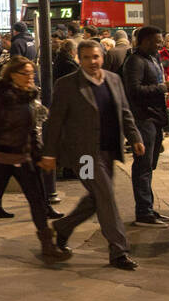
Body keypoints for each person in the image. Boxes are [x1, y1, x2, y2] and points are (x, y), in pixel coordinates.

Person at [40, 40, 146, 270]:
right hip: (85, 156)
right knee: (105, 195)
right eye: (86, 57)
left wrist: (135, 137)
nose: (92, 62)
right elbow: (55, 121)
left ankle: (63, 227)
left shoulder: (114, 80)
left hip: (109, 151)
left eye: (95, 57)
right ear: (79, 59)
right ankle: (119, 251)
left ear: (102, 57)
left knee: (97, 198)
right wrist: (49, 153)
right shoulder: (67, 84)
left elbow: (125, 112)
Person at [0, 56, 52, 257]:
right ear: (13, 75)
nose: (30, 77)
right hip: (1, 158)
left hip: (24, 157)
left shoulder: (29, 96)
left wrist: (38, 153)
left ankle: (48, 244)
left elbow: (33, 129)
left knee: (37, 200)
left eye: (32, 73)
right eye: (26, 73)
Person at [122, 25, 169, 227]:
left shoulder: (153, 59)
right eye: (156, 41)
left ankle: (149, 207)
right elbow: (133, 90)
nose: (160, 44)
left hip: (155, 118)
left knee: (149, 166)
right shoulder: (135, 61)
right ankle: (143, 212)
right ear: (144, 41)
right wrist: (161, 88)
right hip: (143, 119)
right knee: (143, 166)